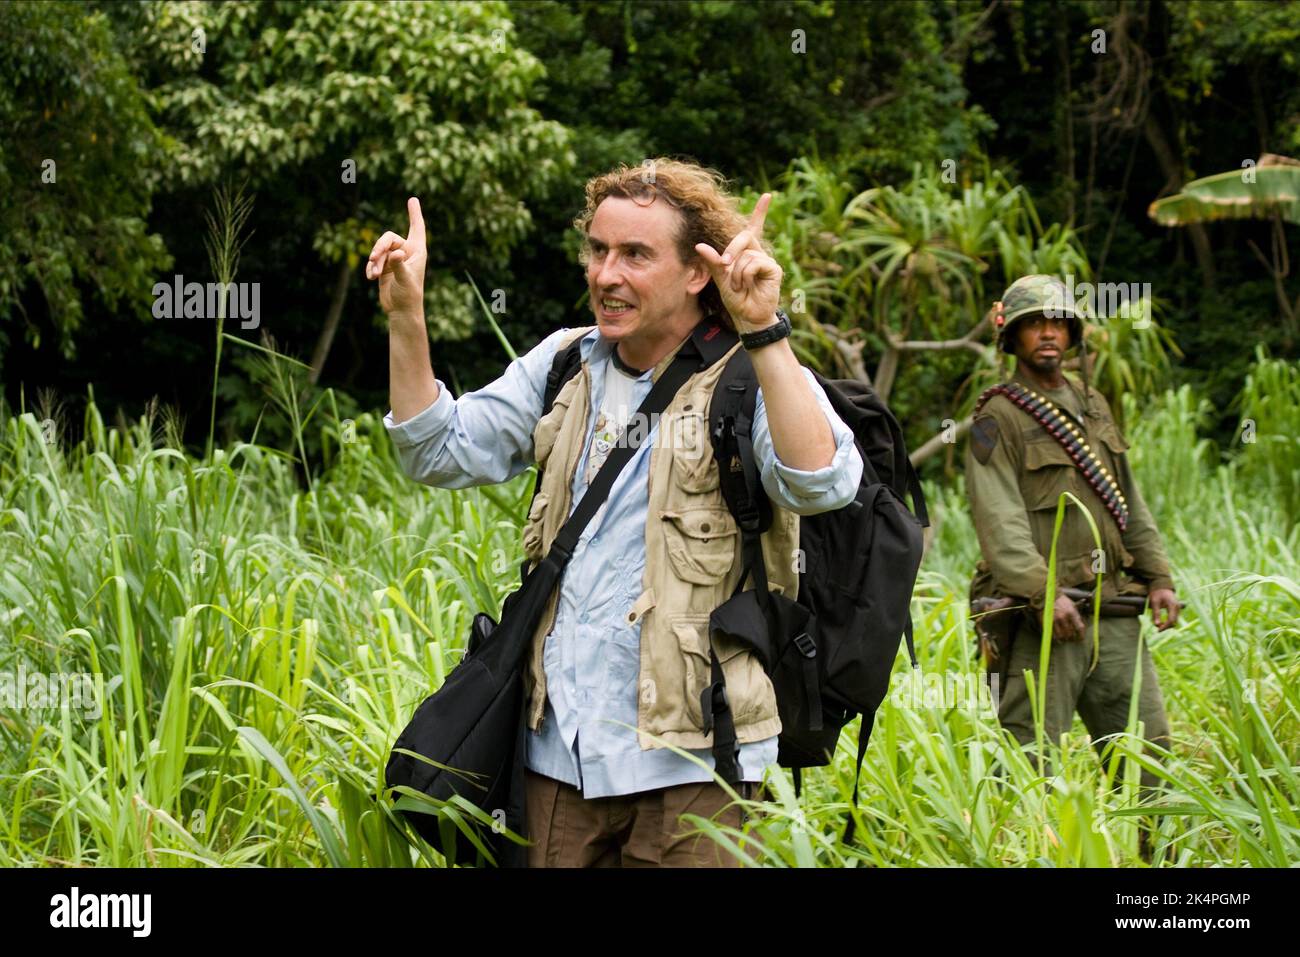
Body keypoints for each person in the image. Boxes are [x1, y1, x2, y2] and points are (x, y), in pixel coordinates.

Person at [369, 159, 863, 867]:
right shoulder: (565, 364)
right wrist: (407, 318)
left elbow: (823, 483)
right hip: (559, 751)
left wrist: (765, 328)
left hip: (699, 762)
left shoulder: (752, 373)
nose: (607, 274)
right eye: (598, 250)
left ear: (698, 272)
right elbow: (437, 451)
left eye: (635, 254)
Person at [965, 274, 1181, 796]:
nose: (1047, 333)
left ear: (1073, 334)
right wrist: (1043, 592)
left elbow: (1128, 499)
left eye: (1058, 322)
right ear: (1012, 336)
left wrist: (1158, 576)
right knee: (1029, 764)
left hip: (1113, 608)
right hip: (1043, 616)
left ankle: (1159, 868)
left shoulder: (1093, 404)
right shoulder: (996, 417)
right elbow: (1000, 519)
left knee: (1149, 753)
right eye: (1034, 323)